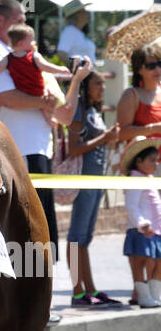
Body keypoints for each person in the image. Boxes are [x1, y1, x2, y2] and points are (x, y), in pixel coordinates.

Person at [0, 54, 91, 263]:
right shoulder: (6, 63)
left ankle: (40, 274)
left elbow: (65, 116)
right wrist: (43, 101)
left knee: (41, 229)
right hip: (12, 153)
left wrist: (77, 80)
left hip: (39, 153)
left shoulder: (47, 77)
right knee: (19, 226)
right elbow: (4, 98)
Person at [66, 70, 123, 308]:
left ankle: (89, 288)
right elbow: (73, 148)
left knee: (85, 238)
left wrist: (110, 139)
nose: (102, 88)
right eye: (97, 84)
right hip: (84, 180)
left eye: (103, 83)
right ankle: (77, 291)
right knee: (75, 238)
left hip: (96, 180)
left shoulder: (94, 111)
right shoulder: (79, 109)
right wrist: (104, 138)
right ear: (86, 87)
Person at [0, 23, 71, 105]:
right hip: (37, 90)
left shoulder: (8, 58)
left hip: (20, 91)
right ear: (21, 43)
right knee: (47, 104)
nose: (35, 43)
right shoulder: (33, 55)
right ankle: (50, 118)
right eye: (32, 40)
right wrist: (60, 69)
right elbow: (46, 66)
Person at [120, 136, 161, 308]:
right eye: (152, 160)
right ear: (138, 161)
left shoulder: (150, 179)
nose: (156, 164)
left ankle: (154, 294)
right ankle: (144, 297)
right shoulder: (135, 180)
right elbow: (131, 205)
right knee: (141, 264)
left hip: (156, 231)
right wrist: (141, 223)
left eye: (157, 160)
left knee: (157, 263)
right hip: (141, 231)